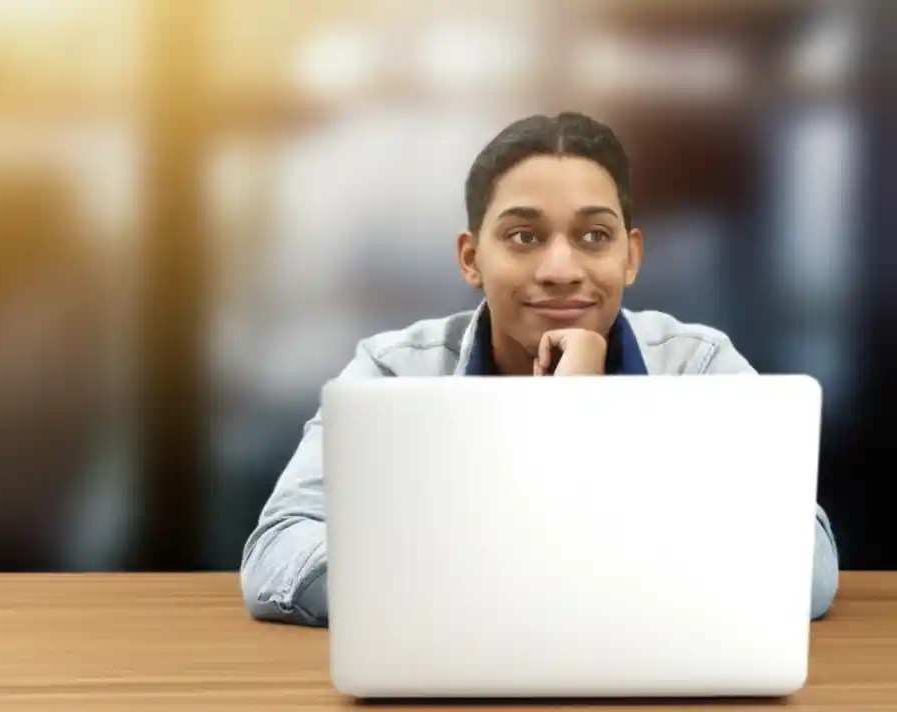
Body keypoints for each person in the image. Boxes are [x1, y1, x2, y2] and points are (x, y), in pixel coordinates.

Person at [239, 111, 840, 627]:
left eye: (594, 236)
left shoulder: (698, 366)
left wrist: (585, 419)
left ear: (630, 257)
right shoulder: (394, 371)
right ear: (472, 258)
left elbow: (805, 565)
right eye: (524, 236)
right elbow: (279, 553)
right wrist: (592, 568)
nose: (560, 270)